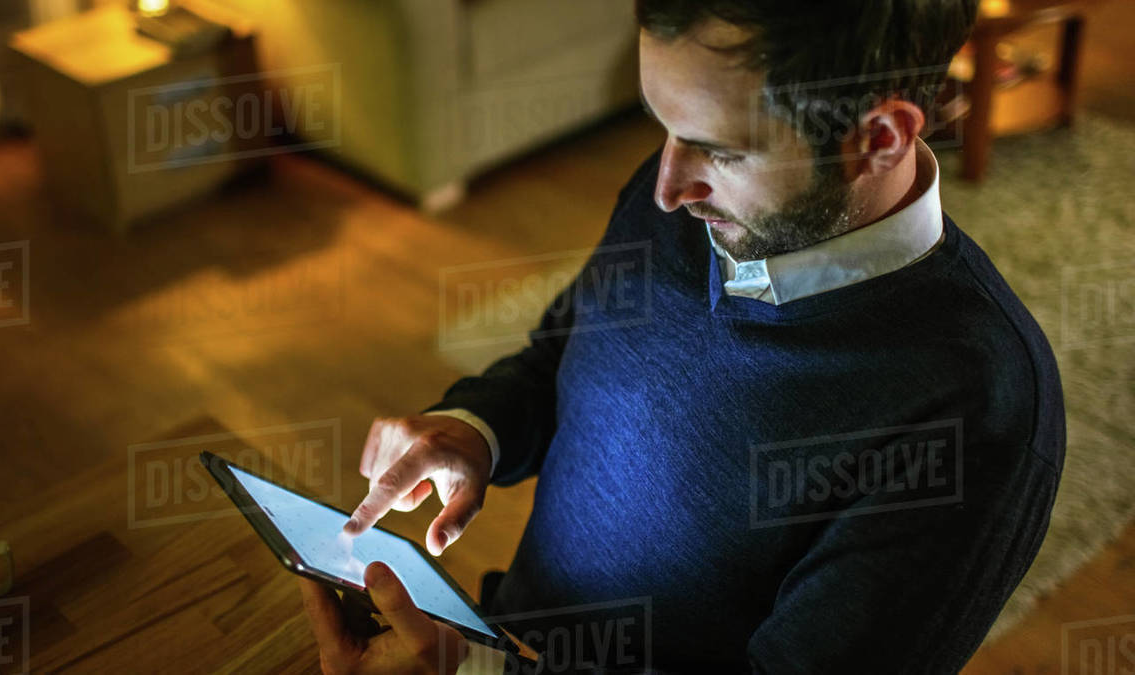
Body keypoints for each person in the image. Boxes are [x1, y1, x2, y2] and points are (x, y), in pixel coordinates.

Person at [299, 1, 1067, 672]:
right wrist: (476, 431)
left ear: (880, 138)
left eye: (722, 150)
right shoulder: (689, 200)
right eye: (662, 125)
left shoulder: (977, 406)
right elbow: (559, 354)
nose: (667, 184)